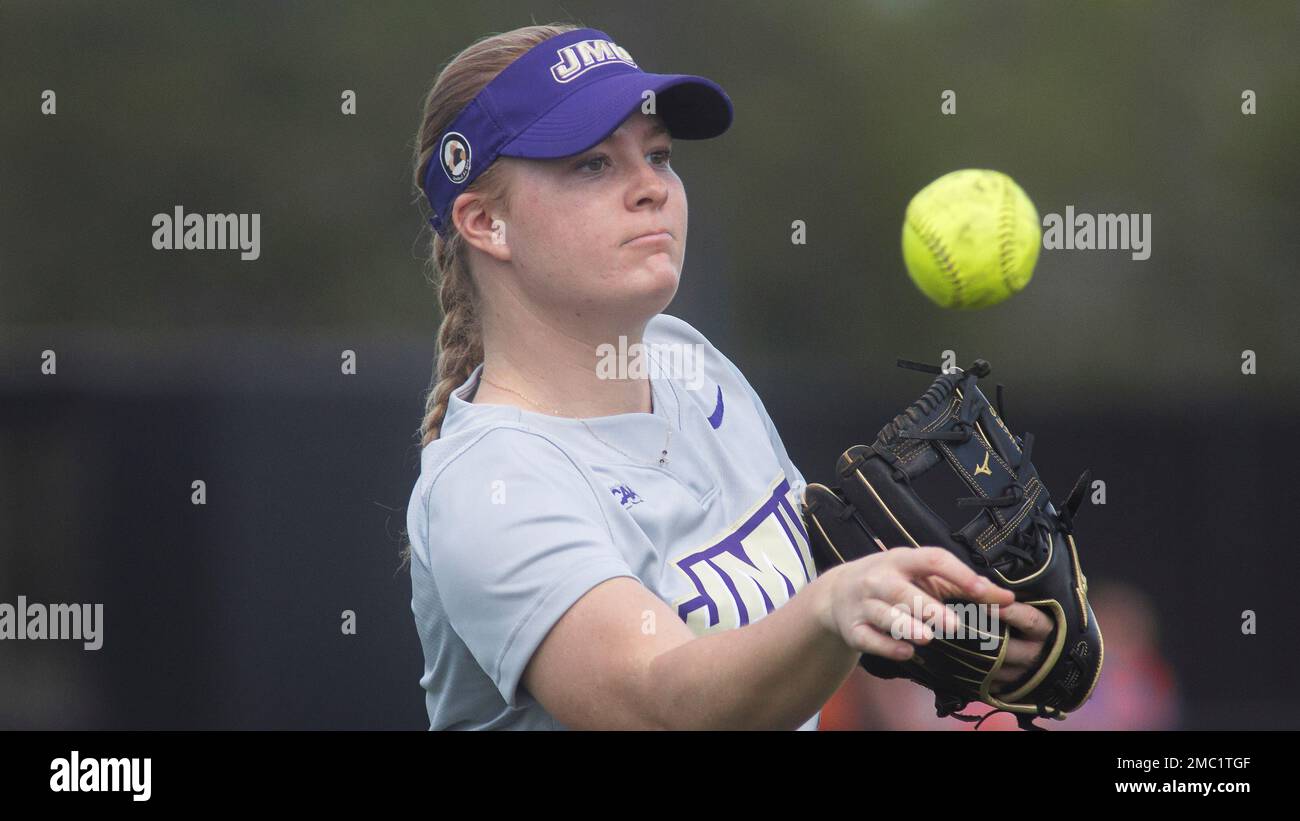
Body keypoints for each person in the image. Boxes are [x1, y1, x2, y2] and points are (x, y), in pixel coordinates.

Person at [404, 23, 1050, 730]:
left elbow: (802, 631)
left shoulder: (690, 360)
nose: (651, 186)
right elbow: (658, 702)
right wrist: (832, 607)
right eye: (592, 164)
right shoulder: (490, 485)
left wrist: (947, 618)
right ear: (485, 220)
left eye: (658, 155)